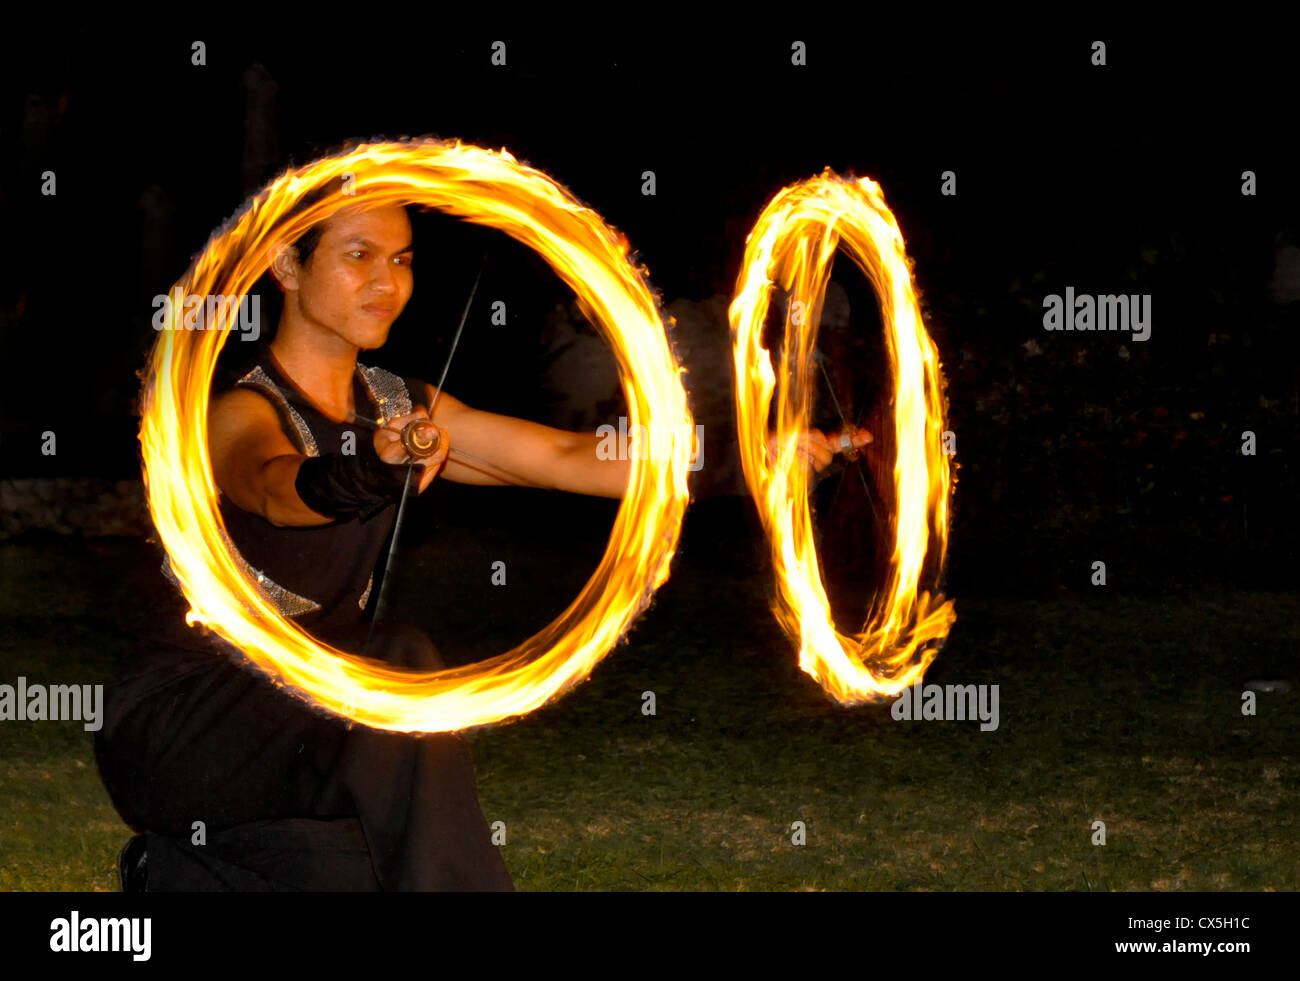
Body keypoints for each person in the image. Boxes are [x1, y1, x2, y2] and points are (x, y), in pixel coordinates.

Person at [96, 188, 867, 891]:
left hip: (313, 723)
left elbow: (570, 457)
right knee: (399, 665)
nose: (387, 282)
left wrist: (747, 460)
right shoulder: (241, 411)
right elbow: (276, 485)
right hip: (182, 725)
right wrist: (371, 467)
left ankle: (178, 875)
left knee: (367, 856)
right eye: (357, 255)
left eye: (401, 259)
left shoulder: (402, 403)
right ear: (286, 265)